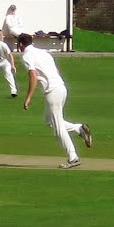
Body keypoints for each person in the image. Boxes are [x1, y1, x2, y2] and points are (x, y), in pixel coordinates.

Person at [20, 33, 91, 168]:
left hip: (53, 92)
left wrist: (28, 98)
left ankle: (73, 157)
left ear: (21, 44)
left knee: (58, 127)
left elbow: (33, 76)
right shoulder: (44, 53)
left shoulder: (26, 56)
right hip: (61, 87)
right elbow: (56, 70)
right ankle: (79, 128)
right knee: (50, 122)